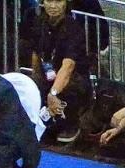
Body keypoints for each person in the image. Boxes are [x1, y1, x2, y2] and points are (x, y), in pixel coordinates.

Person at [28, 0, 91, 146]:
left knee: (68, 88)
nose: (53, 6)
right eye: (49, 1)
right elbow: (36, 55)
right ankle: (47, 123)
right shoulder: (39, 23)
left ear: (66, 3)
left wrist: (53, 93)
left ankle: (71, 124)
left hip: (74, 79)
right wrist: (35, 86)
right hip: (49, 73)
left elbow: (68, 66)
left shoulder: (74, 28)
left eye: (58, 1)